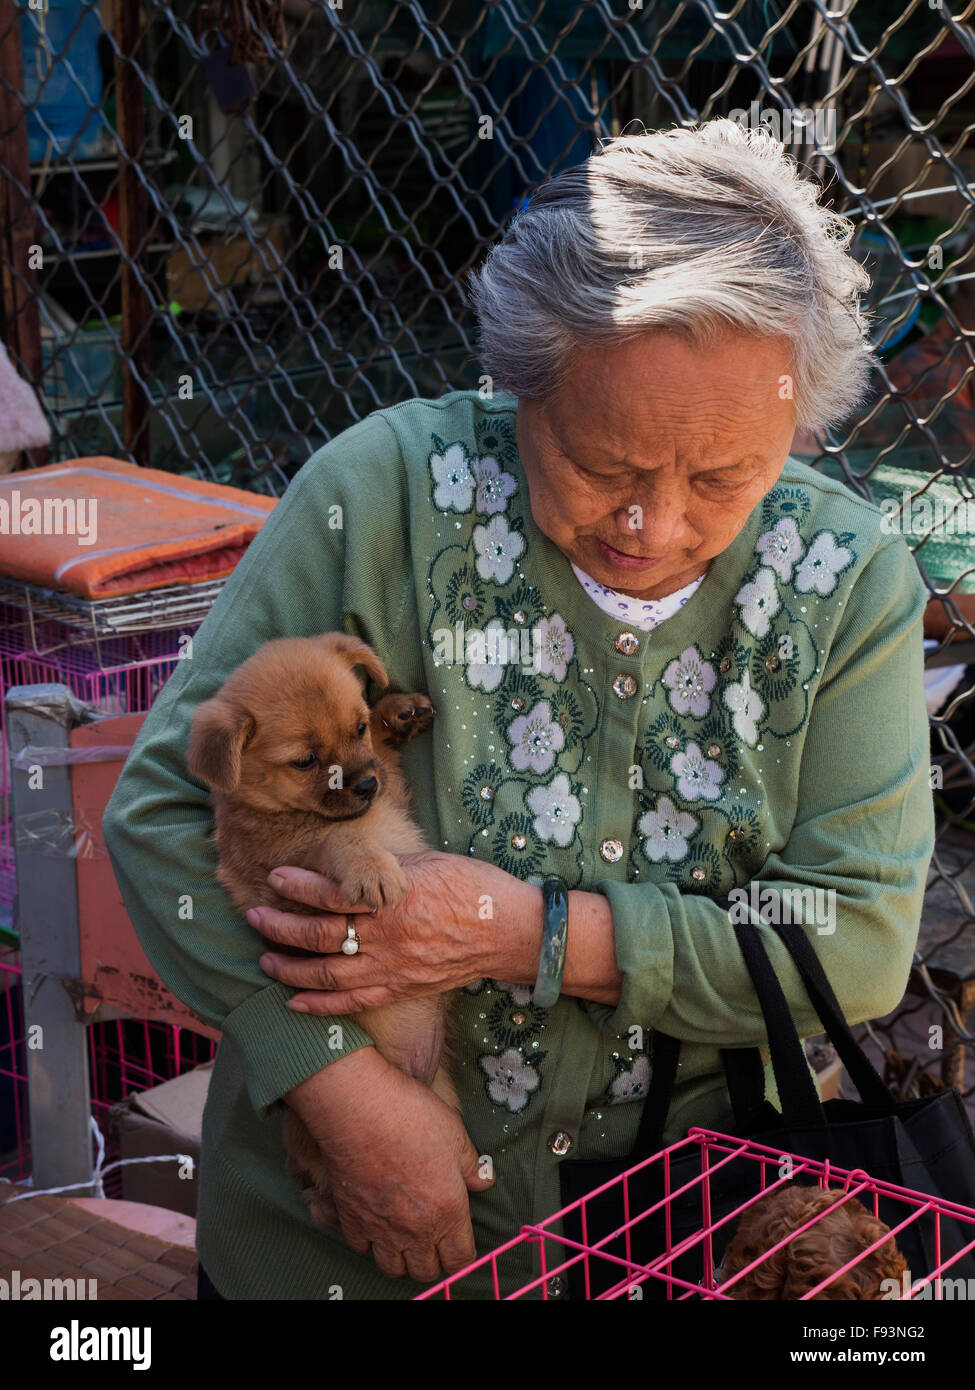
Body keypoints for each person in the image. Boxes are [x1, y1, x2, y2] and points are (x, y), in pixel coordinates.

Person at [103, 118, 935, 1300]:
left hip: (681, 1240)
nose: (657, 527)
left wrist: (531, 931)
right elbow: (160, 820)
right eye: (606, 467)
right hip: (331, 1247)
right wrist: (339, 1088)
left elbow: (852, 936)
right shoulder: (377, 497)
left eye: (721, 479)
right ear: (520, 390)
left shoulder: (846, 579)